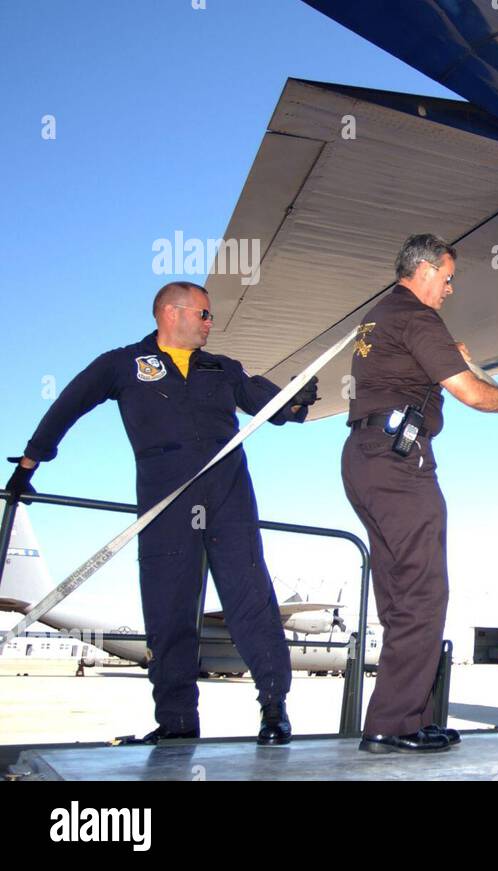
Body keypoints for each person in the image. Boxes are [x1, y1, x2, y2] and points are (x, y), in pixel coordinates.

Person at [5, 281, 319, 745]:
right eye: (205, 314)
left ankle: (274, 708)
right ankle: (176, 722)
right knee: (169, 609)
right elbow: (67, 405)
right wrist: (30, 463)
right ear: (171, 313)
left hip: (228, 498)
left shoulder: (223, 368)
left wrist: (297, 399)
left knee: (250, 599)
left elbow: (271, 406)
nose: (211, 323)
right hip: (165, 505)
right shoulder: (123, 365)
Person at [343, 233, 498, 754]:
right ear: (425, 270)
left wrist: (445, 354)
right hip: (399, 463)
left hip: (366, 457)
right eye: (448, 278)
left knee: (400, 598)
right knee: (424, 593)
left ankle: (413, 716)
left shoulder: (381, 313)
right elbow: (470, 391)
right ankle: (391, 724)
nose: (450, 289)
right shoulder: (416, 316)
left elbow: (400, 369)